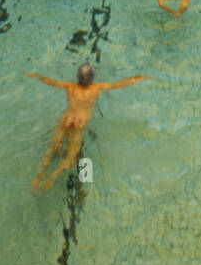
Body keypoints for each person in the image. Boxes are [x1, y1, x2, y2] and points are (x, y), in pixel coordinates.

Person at [27, 63, 151, 191]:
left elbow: (49, 81)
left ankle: (38, 176)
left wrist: (35, 75)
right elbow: (119, 84)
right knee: (69, 160)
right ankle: (51, 179)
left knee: (51, 150)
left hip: (66, 120)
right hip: (79, 125)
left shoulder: (69, 86)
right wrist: (139, 77)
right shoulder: (96, 87)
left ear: (77, 76)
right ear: (92, 78)